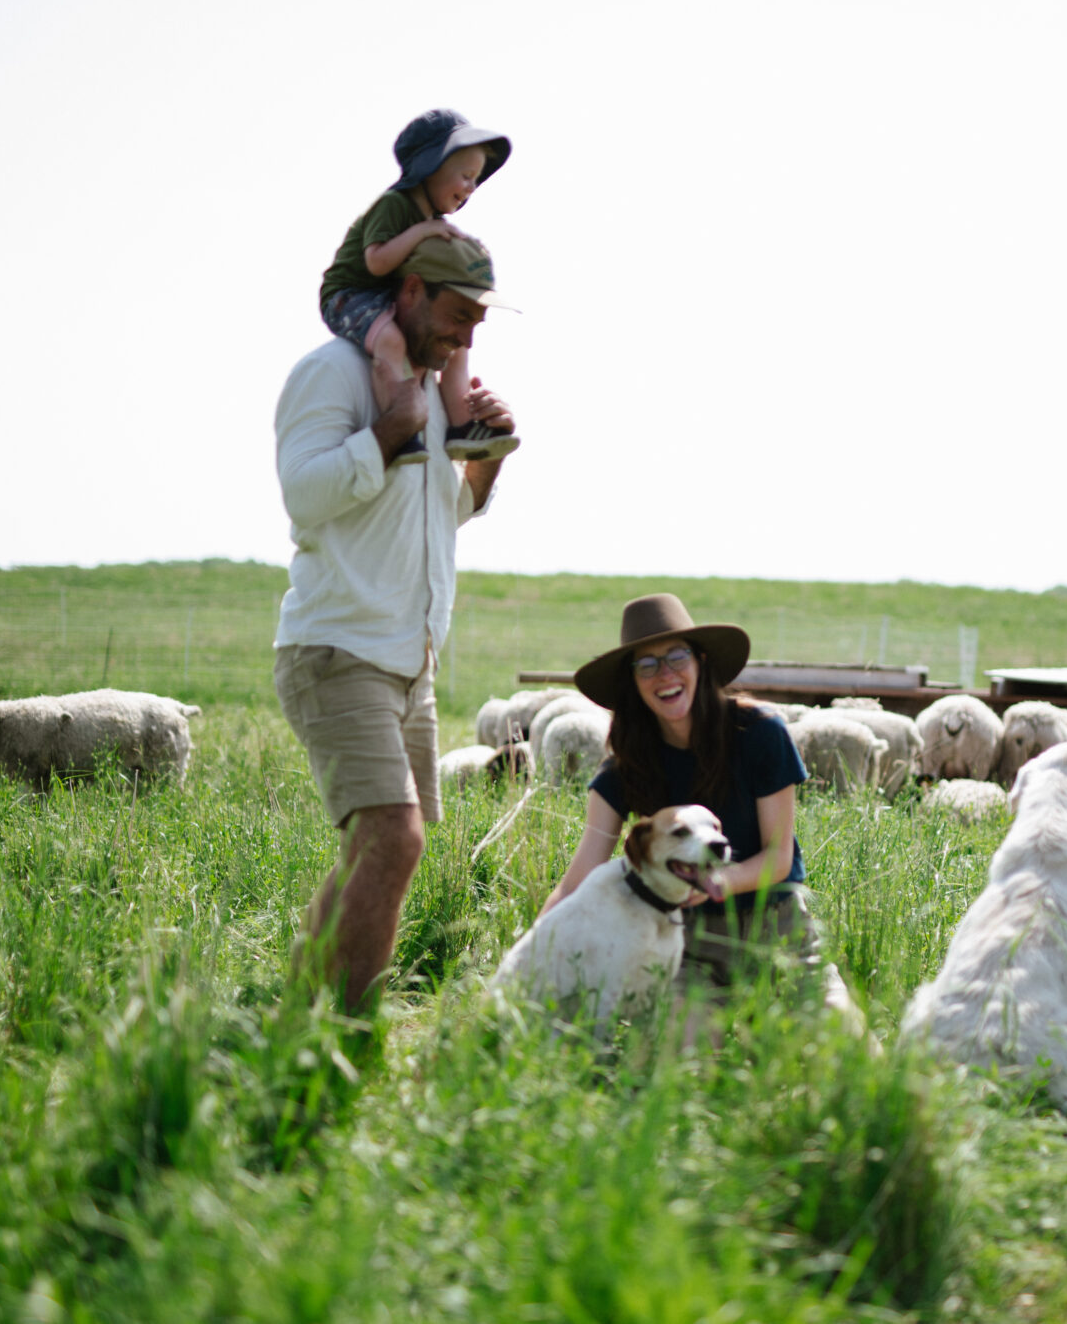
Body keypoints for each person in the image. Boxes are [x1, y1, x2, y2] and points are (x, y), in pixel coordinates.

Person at [274, 230, 517, 1013]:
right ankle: (345, 1033)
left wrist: (488, 454)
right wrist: (390, 428)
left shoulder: (429, 390)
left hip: (409, 661)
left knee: (381, 846)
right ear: (409, 289)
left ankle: (306, 1012)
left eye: (481, 317)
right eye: (458, 311)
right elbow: (304, 496)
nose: (470, 334)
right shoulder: (332, 374)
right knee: (393, 836)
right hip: (338, 647)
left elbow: (443, 513)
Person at [538, 594, 824, 997]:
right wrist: (528, 956)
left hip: (776, 926)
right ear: (633, 682)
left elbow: (778, 858)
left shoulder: (760, 734)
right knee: (676, 1053)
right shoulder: (624, 769)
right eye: (647, 665)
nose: (664, 674)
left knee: (841, 1046)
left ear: (700, 662)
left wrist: (714, 883)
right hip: (684, 944)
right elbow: (576, 884)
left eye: (676, 657)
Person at [319, 107, 518, 465]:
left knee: (456, 346)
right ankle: (401, 424)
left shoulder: (432, 218)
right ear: (430, 168)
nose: (471, 187)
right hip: (349, 294)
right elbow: (376, 262)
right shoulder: (395, 205)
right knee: (391, 341)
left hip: (384, 293)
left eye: (476, 179)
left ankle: (461, 428)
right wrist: (423, 232)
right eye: (465, 176)